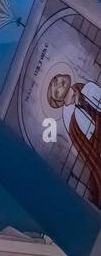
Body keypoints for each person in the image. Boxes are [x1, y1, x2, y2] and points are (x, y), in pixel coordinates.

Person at [47, 71, 101, 205]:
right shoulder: (69, 118)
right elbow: (87, 145)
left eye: (56, 79)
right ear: (58, 100)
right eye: (56, 89)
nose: (59, 83)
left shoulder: (88, 87)